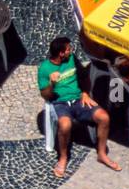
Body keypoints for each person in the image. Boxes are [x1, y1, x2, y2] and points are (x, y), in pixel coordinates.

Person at [38, 35, 119, 177]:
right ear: (61, 53)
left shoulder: (72, 59)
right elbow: (45, 96)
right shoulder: (44, 68)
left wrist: (85, 93)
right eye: (68, 49)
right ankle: (63, 158)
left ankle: (101, 154)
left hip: (77, 100)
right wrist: (51, 83)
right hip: (60, 102)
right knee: (65, 125)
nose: (71, 51)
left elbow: (84, 76)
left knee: (104, 117)